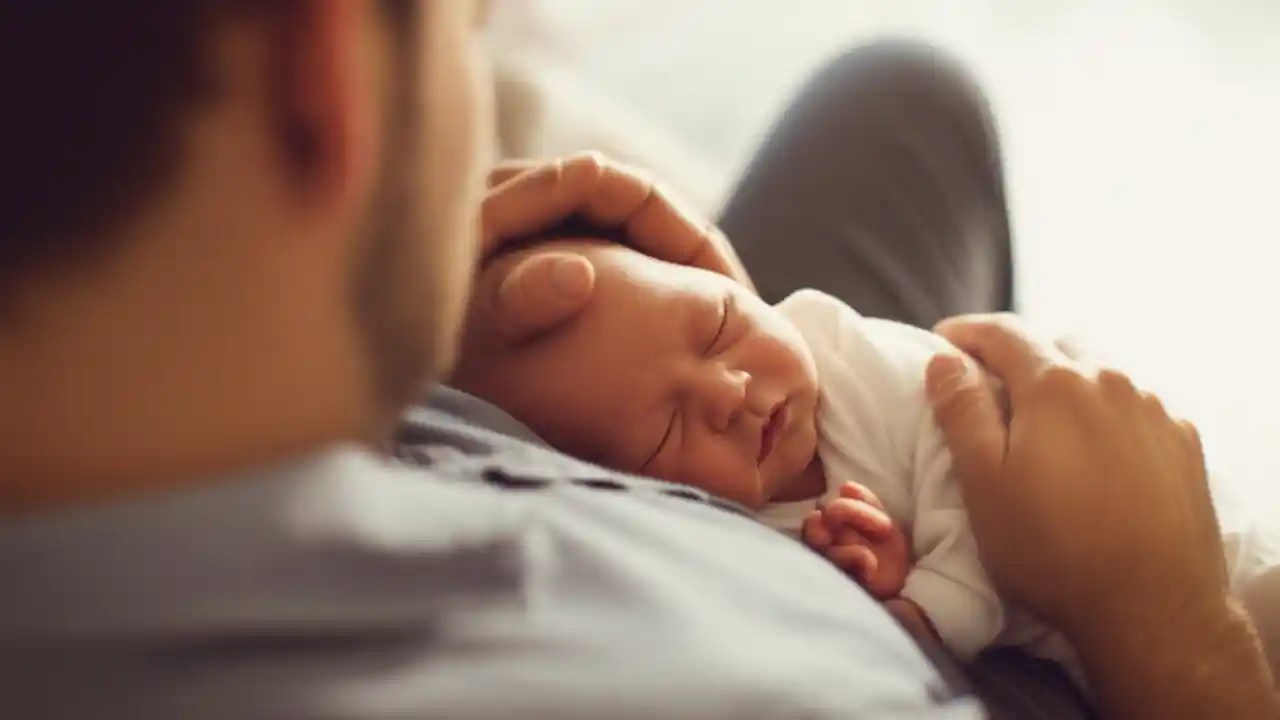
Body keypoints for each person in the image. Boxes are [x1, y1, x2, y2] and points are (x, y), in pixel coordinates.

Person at [0, 2, 1273, 719]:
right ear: (326, 71)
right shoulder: (722, 690)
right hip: (922, 599)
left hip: (647, 478)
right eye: (463, 20)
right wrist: (1166, 626)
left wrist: (375, 303)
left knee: (899, 96)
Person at [453, 236, 1279, 685]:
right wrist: (883, 563)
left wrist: (923, 614)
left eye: (716, 326)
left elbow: (990, 496)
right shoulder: (733, 535)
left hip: (1204, 560)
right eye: (668, 430)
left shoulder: (842, 354)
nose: (733, 388)